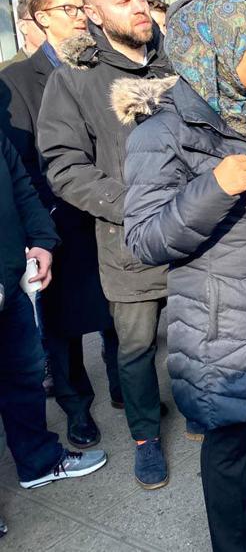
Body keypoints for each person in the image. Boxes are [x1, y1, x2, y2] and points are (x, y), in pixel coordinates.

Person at [121, 0, 246, 552]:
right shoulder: (161, 131)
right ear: (209, 51)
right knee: (228, 455)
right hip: (217, 328)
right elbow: (145, 239)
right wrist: (214, 187)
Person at [37, 0, 173, 490]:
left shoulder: (177, 63)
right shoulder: (73, 81)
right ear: (93, 13)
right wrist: (134, 204)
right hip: (129, 243)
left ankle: (203, 414)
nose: (139, 6)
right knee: (135, 350)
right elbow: (65, 167)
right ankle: (145, 439)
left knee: (192, 337)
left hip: (194, 237)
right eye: (122, 1)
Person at [0, 0, 123, 450]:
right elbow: (22, 163)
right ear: (40, 17)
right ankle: (76, 406)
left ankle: (124, 391)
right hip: (58, 220)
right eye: (67, 8)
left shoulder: (99, 65)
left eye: (80, 7)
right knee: (63, 327)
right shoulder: (15, 81)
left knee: (119, 313)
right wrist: (44, 224)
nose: (78, 16)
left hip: (107, 214)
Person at [0, 131, 107, 489]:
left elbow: (20, 185)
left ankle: (39, 463)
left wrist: (42, 241)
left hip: (9, 284)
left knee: (24, 375)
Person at [0, 1, 47, 71]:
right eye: (41, 19)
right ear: (23, 26)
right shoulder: (5, 73)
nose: (49, 25)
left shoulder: (65, 62)